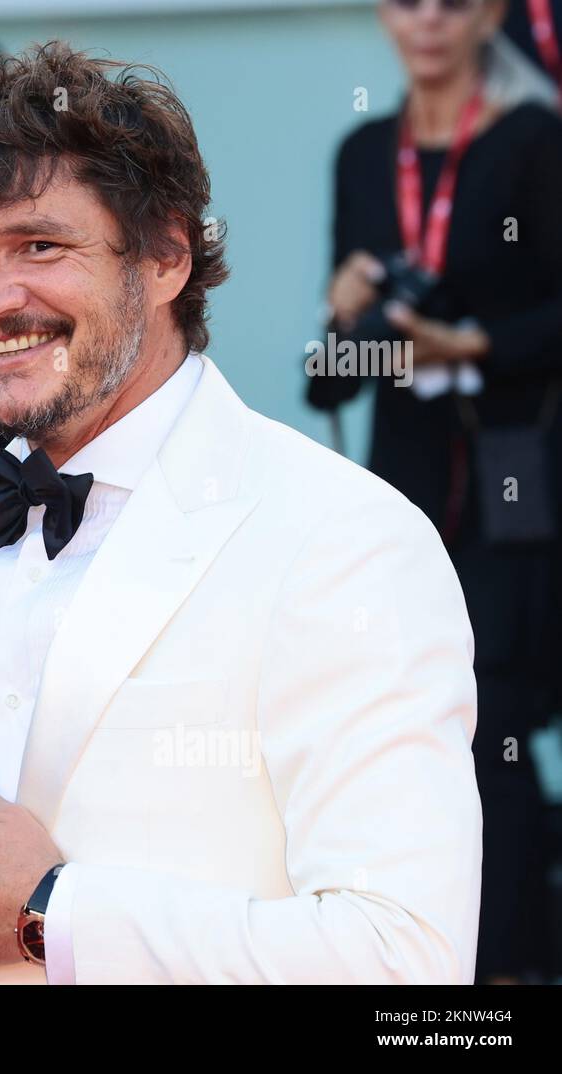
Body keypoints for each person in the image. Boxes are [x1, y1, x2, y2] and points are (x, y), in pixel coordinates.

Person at [0, 42, 482, 984]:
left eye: (39, 244)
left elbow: (406, 964)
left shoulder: (346, 540)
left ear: (164, 256)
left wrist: (49, 915)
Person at [308, 0, 562, 983]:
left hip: (513, 473)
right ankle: (419, 954)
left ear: (490, 14)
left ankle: (501, 972)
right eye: (407, 1)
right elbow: (332, 376)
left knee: (492, 721)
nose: (427, 22)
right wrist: (344, 315)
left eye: (452, 3)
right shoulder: (363, 152)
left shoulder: (534, 141)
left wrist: (479, 344)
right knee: (411, 725)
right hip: (405, 481)